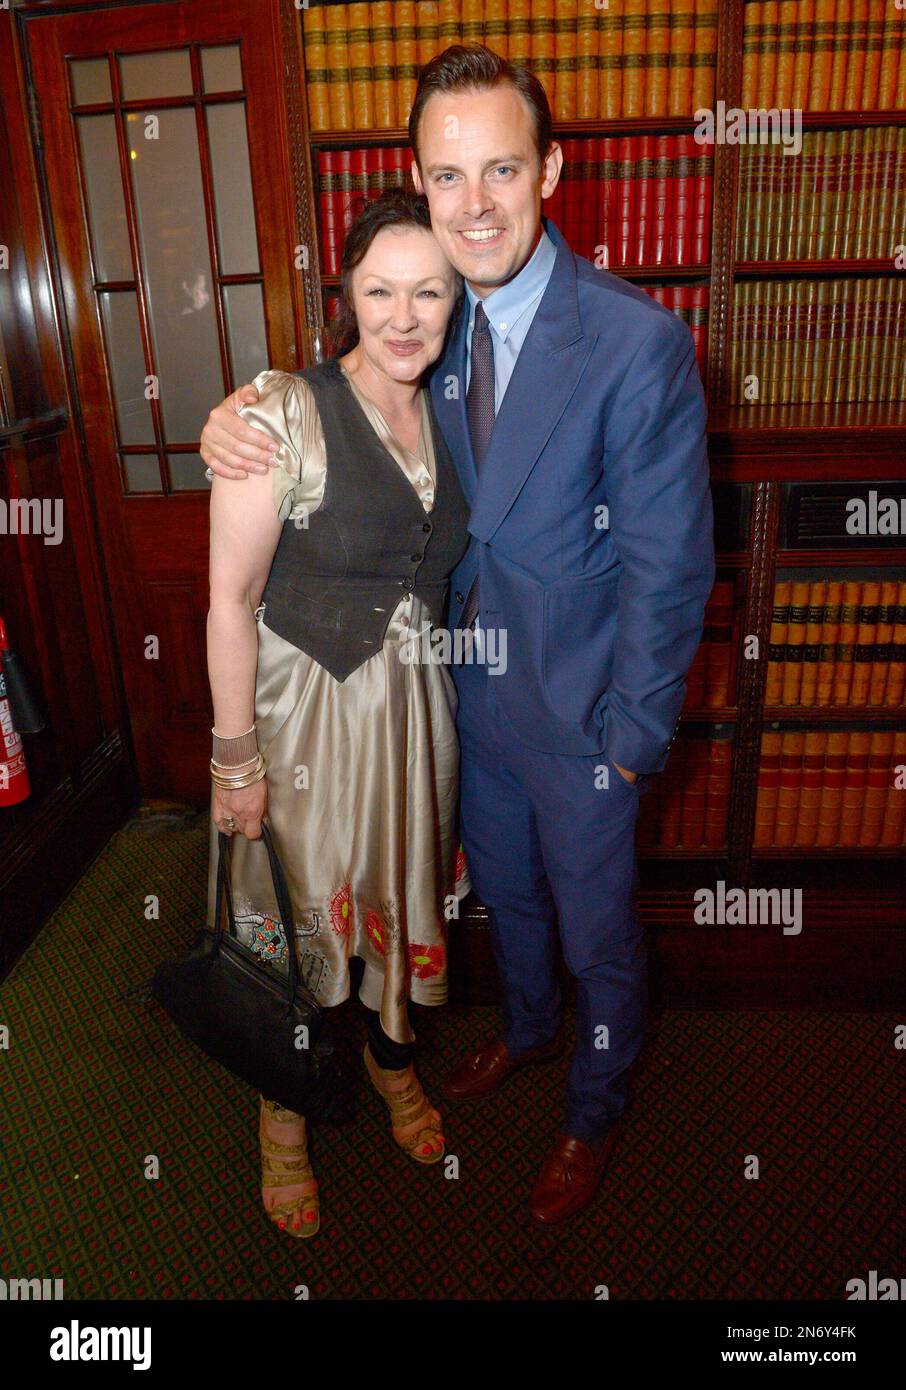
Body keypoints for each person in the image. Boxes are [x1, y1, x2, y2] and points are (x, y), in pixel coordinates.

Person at [201, 45, 715, 1228]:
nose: (473, 202)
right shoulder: (435, 324)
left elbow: (671, 563)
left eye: (500, 170)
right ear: (420, 185)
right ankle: (530, 1037)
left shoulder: (635, 342)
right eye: (448, 174)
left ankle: (594, 1102)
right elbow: (339, 399)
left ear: (551, 172)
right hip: (456, 706)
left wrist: (633, 736)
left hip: (586, 718)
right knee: (509, 909)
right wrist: (236, 413)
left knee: (596, 928)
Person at [205, 190, 471, 1238]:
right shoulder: (283, 408)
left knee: (401, 904)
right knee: (299, 919)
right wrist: (236, 760)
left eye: (428, 293)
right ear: (346, 296)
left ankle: (391, 1061)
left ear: (456, 299)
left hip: (412, 719)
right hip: (303, 714)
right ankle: (282, 1124)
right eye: (379, 291)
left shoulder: (459, 405)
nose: (403, 317)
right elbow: (228, 596)